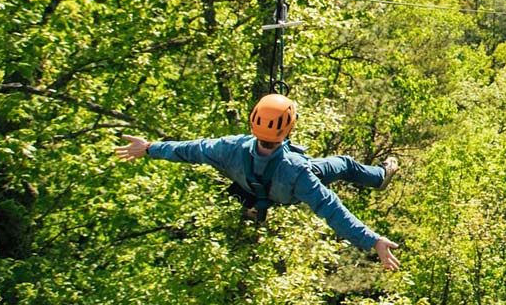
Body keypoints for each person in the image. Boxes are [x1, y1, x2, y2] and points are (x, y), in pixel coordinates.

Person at [117, 93, 402, 270]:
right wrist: (372, 240)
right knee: (344, 164)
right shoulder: (298, 171)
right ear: (288, 129)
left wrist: (149, 148)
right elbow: (332, 209)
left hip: (253, 188)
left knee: (329, 168)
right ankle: (379, 177)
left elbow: (189, 150)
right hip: (289, 187)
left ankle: (254, 207)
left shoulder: (229, 148)